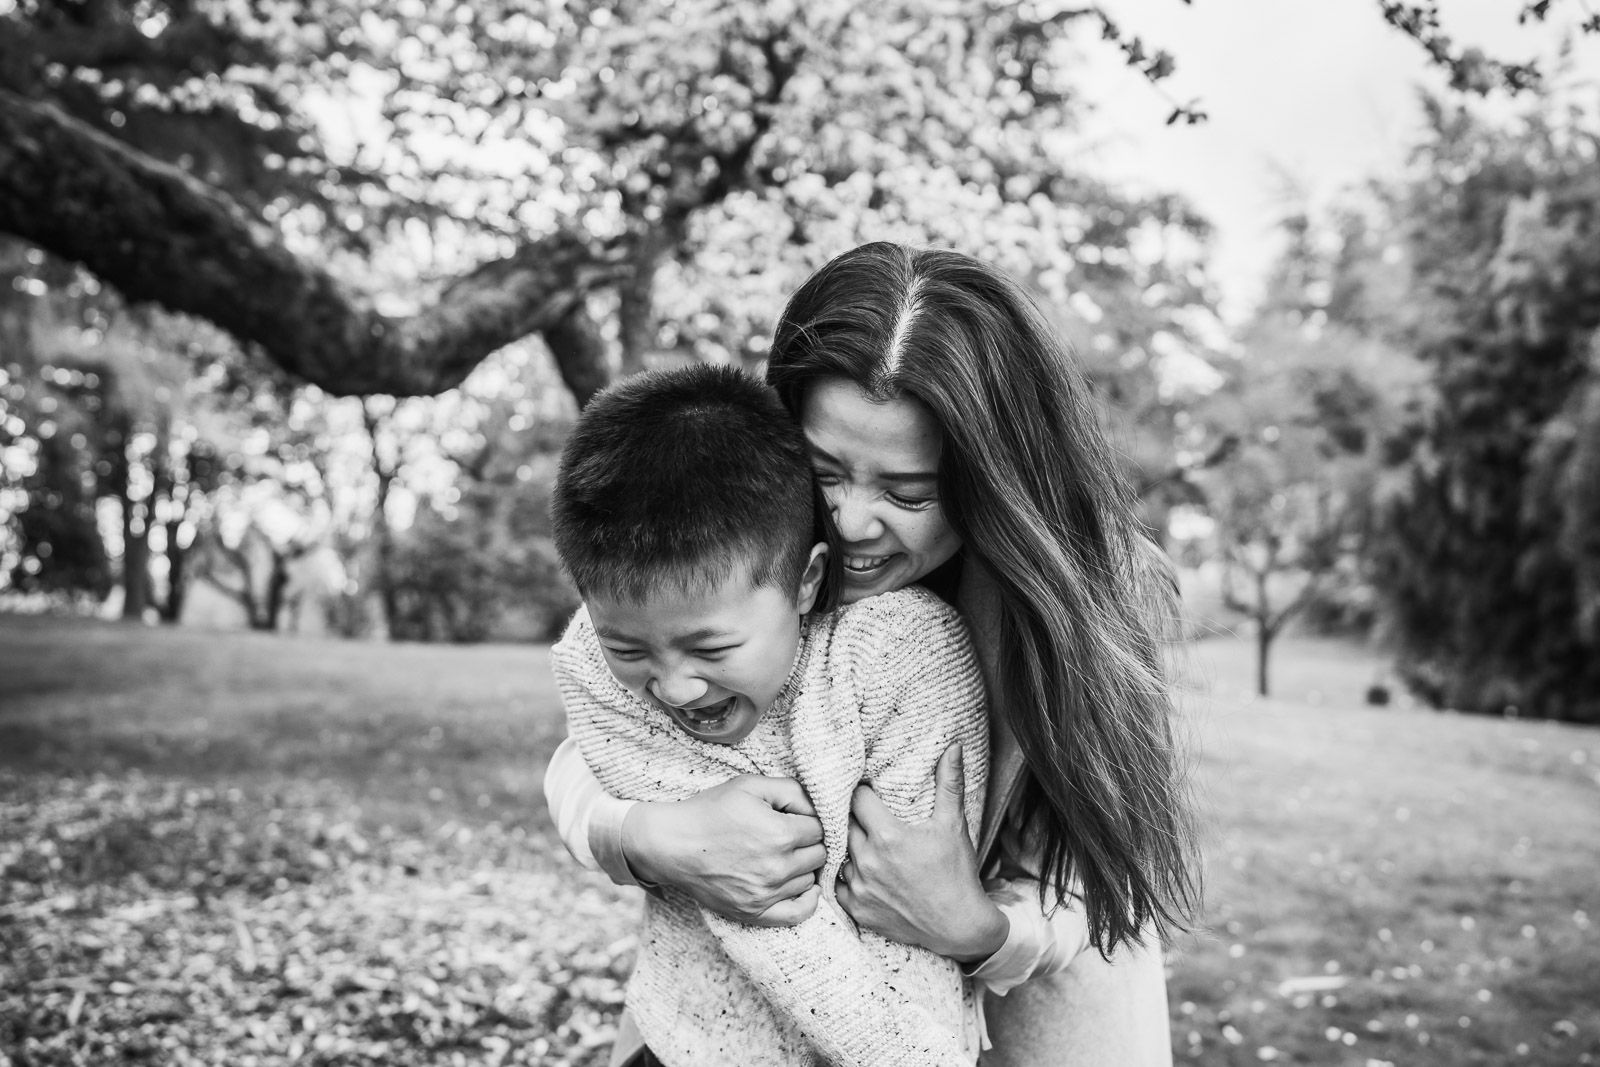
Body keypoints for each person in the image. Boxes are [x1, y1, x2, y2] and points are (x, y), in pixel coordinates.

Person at [543, 243, 1201, 1067]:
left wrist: (976, 924)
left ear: (991, 479)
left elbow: (1099, 870)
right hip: (753, 1016)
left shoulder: (1089, 599)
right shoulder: (751, 553)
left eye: (907, 491)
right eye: (827, 472)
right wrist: (647, 834)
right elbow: (601, 723)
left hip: (1034, 994)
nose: (853, 521)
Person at [548, 363, 991, 1067]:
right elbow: (753, 896)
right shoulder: (596, 657)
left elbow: (906, 928)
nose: (675, 688)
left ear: (808, 579)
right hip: (684, 1040)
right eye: (628, 647)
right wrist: (635, 829)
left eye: (905, 489)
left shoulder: (907, 650)